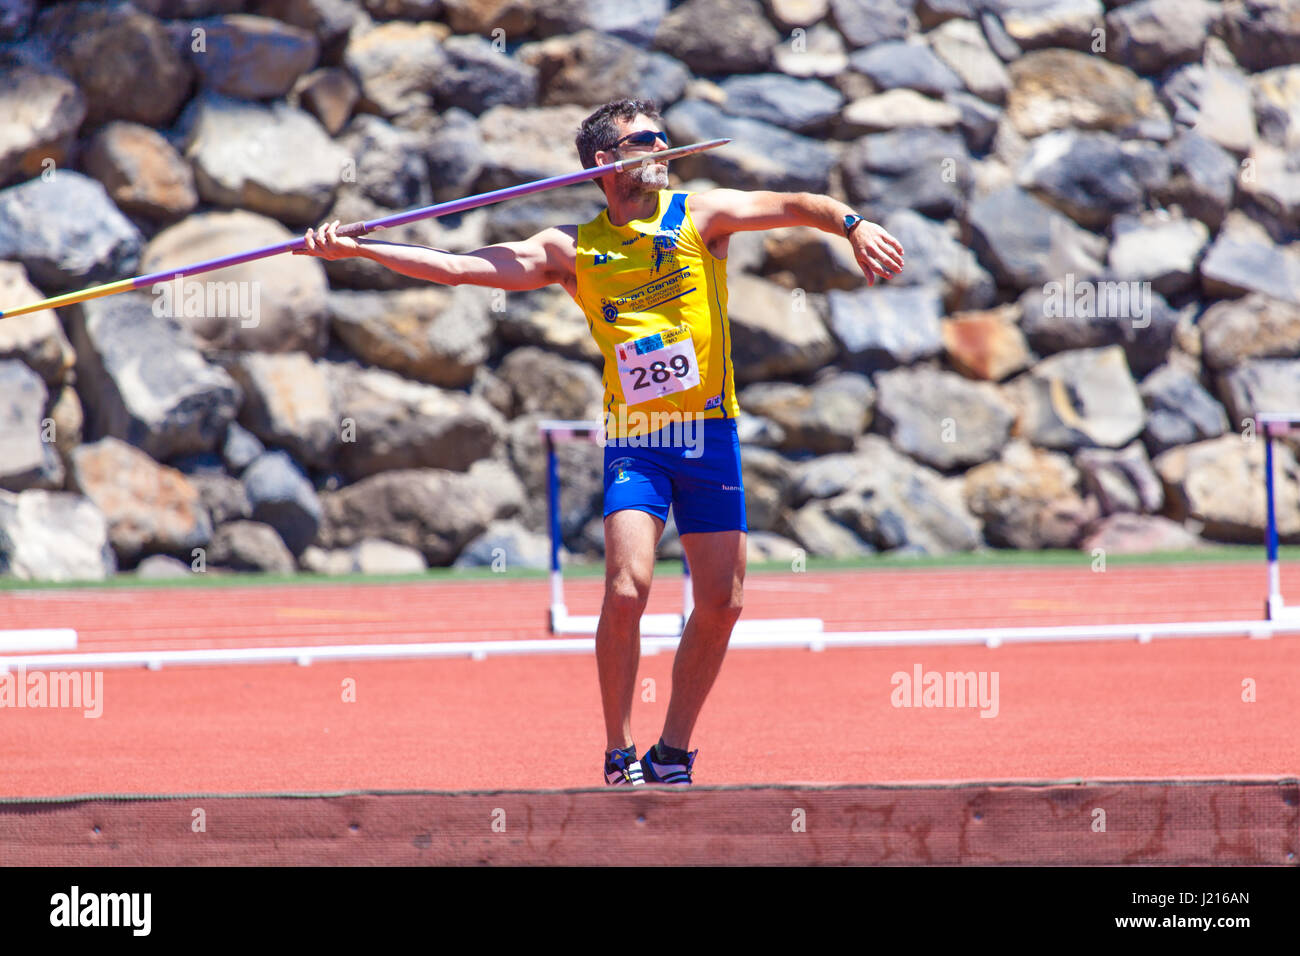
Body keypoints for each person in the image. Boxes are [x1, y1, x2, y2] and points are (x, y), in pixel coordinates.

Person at [295, 98, 904, 786]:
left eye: (665, 135)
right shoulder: (571, 250)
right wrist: (358, 248)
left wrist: (854, 226)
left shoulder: (701, 216)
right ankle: (619, 752)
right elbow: (460, 267)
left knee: (724, 603)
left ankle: (672, 751)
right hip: (639, 438)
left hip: (710, 434)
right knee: (625, 589)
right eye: (647, 139)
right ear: (605, 163)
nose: (664, 146)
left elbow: (796, 204)